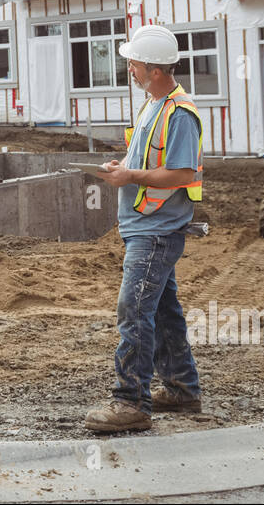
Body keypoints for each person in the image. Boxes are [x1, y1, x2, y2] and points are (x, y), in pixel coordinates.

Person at [84, 24, 203, 433]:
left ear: (153, 70)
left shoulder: (179, 112)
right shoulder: (154, 104)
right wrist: (125, 169)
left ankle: (131, 401)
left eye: (133, 63)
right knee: (164, 312)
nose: (129, 69)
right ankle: (183, 388)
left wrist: (130, 176)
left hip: (157, 231)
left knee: (133, 310)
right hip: (145, 227)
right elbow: (152, 162)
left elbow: (184, 173)